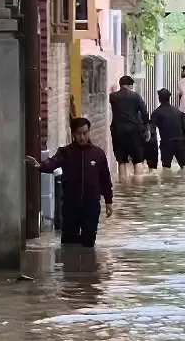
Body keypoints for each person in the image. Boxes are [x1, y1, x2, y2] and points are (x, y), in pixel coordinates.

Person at [26, 117, 113, 248]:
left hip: (91, 206)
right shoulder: (66, 153)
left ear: (89, 132)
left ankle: (89, 267)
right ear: (73, 134)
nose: (82, 137)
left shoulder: (98, 154)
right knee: (68, 245)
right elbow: (53, 163)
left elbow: (105, 179)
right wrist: (40, 166)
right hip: (70, 206)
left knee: (88, 245)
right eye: (79, 134)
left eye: (85, 133)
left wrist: (108, 201)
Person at [109, 75, 149, 177]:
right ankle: (137, 189)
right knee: (137, 160)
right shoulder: (136, 96)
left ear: (120, 85)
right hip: (134, 131)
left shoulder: (113, 96)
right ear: (130, 85)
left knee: (121, 160)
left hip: (118, 131)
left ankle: (123, 187)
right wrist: (147, 128)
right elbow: (144, 113)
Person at [152, 88, 185, 169]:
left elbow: (152, 130)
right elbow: (184, 127)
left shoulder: (157, 113)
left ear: (159, 99)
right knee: (184, 167)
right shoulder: (178, 112)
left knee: (166, 168)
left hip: (166, 144)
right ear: (169, 98)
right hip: (180, 142)